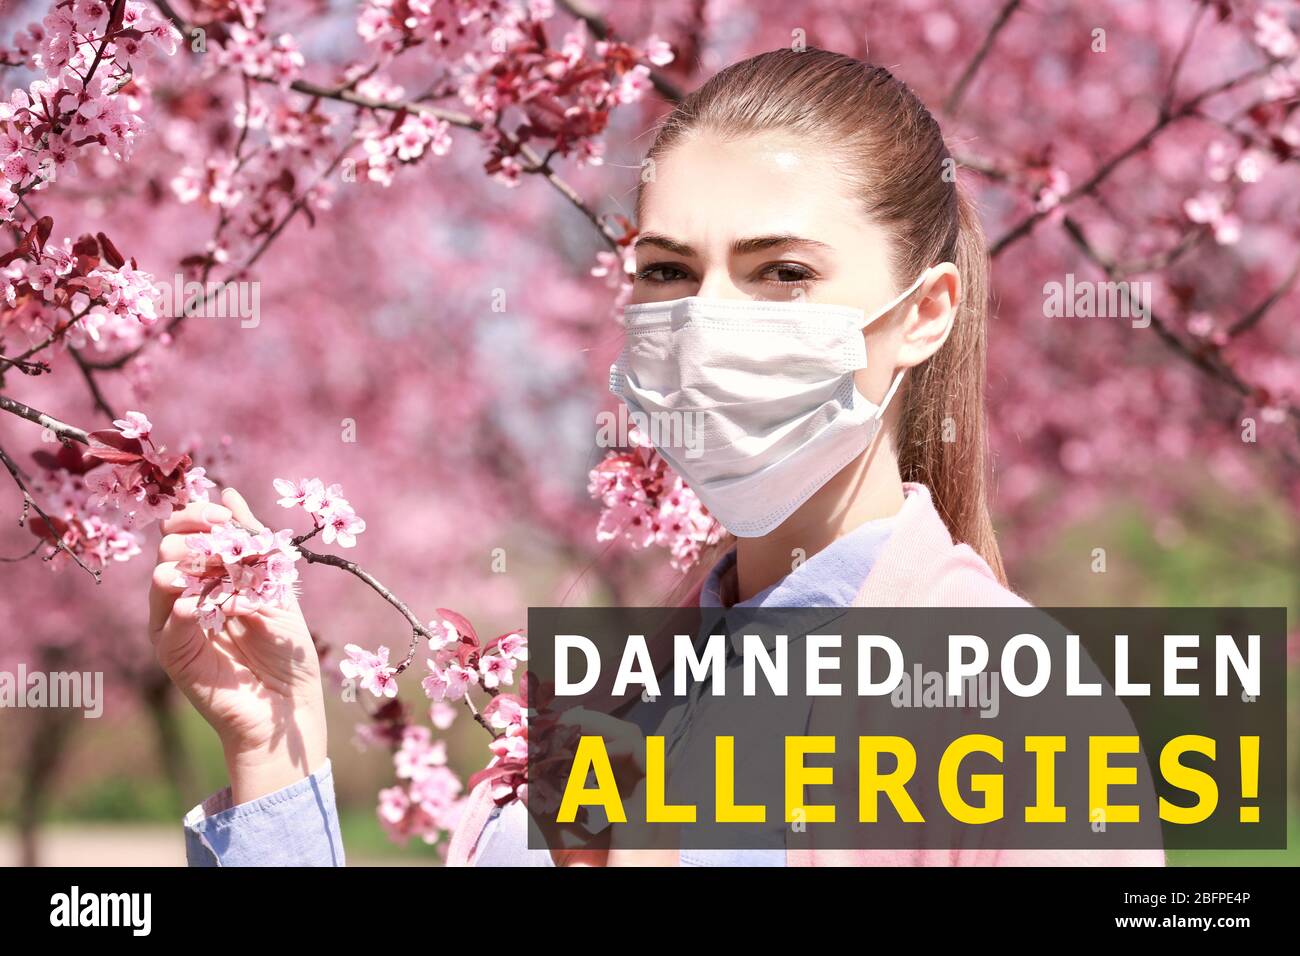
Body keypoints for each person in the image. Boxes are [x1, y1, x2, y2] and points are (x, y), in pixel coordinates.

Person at [148, 48, 1163, 867]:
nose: (709, 318)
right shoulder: (603, 708)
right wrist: (275, 748)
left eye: (782, 272)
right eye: (669, 271)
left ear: (924, 313)